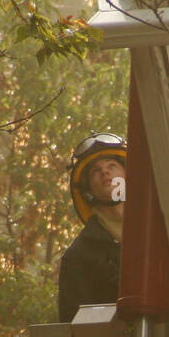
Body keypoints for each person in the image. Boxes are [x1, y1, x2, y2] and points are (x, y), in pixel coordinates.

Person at [58, 132, 127, 322]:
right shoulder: (78, 256)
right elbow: (75, 326)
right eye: (95, 171)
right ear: (88, 189)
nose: (105, 172)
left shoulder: (159, 230)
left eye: (112, 166)